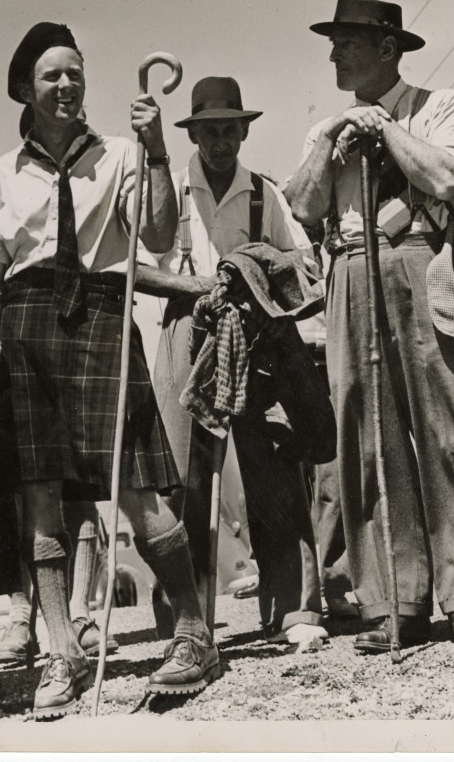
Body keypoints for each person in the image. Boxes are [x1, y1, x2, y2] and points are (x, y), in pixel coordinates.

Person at [0, 21, 218, 718]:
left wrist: (159, 150)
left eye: (75, 72)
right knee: (40, 492)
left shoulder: (120, 153)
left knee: (136, 485)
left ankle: (196, 631)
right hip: (23, 322)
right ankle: (62, 650)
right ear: (25, 89)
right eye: (52, 75)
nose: (67, 85)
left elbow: (163, 235)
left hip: (101, 313)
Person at [285, 0, 454, 653]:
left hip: (421, 259)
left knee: (446, 427)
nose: (332, 56)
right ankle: (393, 601)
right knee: (366, 435)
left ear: (386, 48)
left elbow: (447, 174)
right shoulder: (326, 127)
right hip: (350, 269)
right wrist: (332, 143)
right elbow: (302, 205)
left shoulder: (440, 104)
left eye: (346, 42)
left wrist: (384, 130)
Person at [136, 75, 325, 640]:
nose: (220, 142)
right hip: (186, 332)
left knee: (270, 465)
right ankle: (186, 618)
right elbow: (136, 269)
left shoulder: (264, 193)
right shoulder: (166, 188)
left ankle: (293, 608)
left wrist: (252, 273)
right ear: (193, 134)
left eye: (230, 130)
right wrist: (199, 288)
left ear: (243, 131)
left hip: (256, 333)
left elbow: (305, 264)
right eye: (209, 131)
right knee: (182, 477)